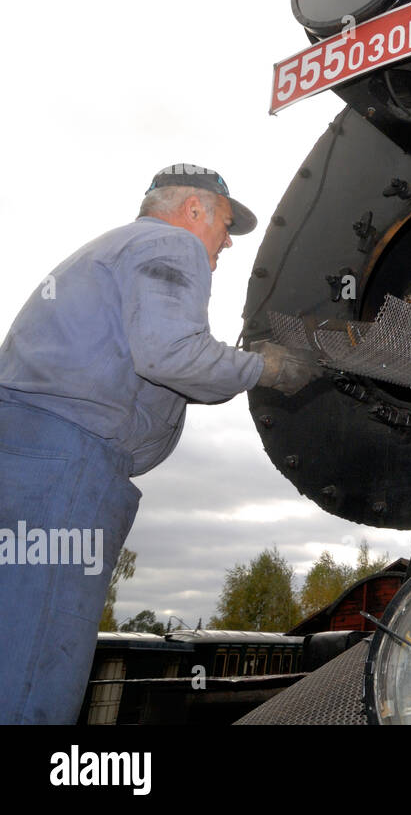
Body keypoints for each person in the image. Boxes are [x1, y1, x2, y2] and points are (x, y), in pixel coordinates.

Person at [0, 163, 315, 724]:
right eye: (223, 223)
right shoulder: (173, 245)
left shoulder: (114, 249)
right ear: (193, 210)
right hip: (67, 461)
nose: (225, 243)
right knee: (35, 667)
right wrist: (264, 367)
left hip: (30, 454)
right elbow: (173, 355)